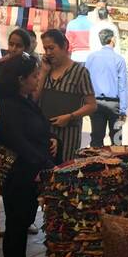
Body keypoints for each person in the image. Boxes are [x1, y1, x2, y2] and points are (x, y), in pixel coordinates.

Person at [0, 52, 55, 257]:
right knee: (17, 224)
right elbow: (17, 141)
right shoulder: (8, 105)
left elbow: (39, 128)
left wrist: (52, 140)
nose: (38, 80)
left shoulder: (24, 101)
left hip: (30, 171)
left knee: (22, 220)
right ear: (21, 79)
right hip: (19, 174)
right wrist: (44, 163)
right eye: (35, 76)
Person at [38, 28, 95, 163]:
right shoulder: (44, 69)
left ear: (64, 46)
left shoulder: (80, 72)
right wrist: (44, 72)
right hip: (44, 133)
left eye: (52, 48)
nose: (48, 53)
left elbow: (91, 105)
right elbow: (34, 98)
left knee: (64, 173)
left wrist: (70, 116)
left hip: (68, 136)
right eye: (46, 49)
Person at [85, 28, 128, 147]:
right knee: (116, 139)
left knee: (96, 138)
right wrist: (124, 110)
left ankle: (95, 163)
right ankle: (117, 163)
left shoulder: (91, 58)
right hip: (115, 105)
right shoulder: (119, 60)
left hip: (96, 103)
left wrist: (86, 104)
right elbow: (123, 86)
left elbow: (86, 81)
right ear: (112, 39)